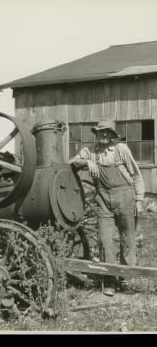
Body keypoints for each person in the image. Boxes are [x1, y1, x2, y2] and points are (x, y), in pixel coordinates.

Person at [69, 119, 145, 296]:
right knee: (105, 240)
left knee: (128, 239)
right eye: (100, 132)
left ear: (112, 136)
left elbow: (136, 175)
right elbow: (71, 162)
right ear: (95, 134)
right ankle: (110, 280)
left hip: (125, 196)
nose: (103, 134)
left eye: (107, 132)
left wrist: (139, 200)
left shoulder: (121, 150)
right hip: (103, 200)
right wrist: (87, 163)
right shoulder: (90, 152)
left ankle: (125, 278)